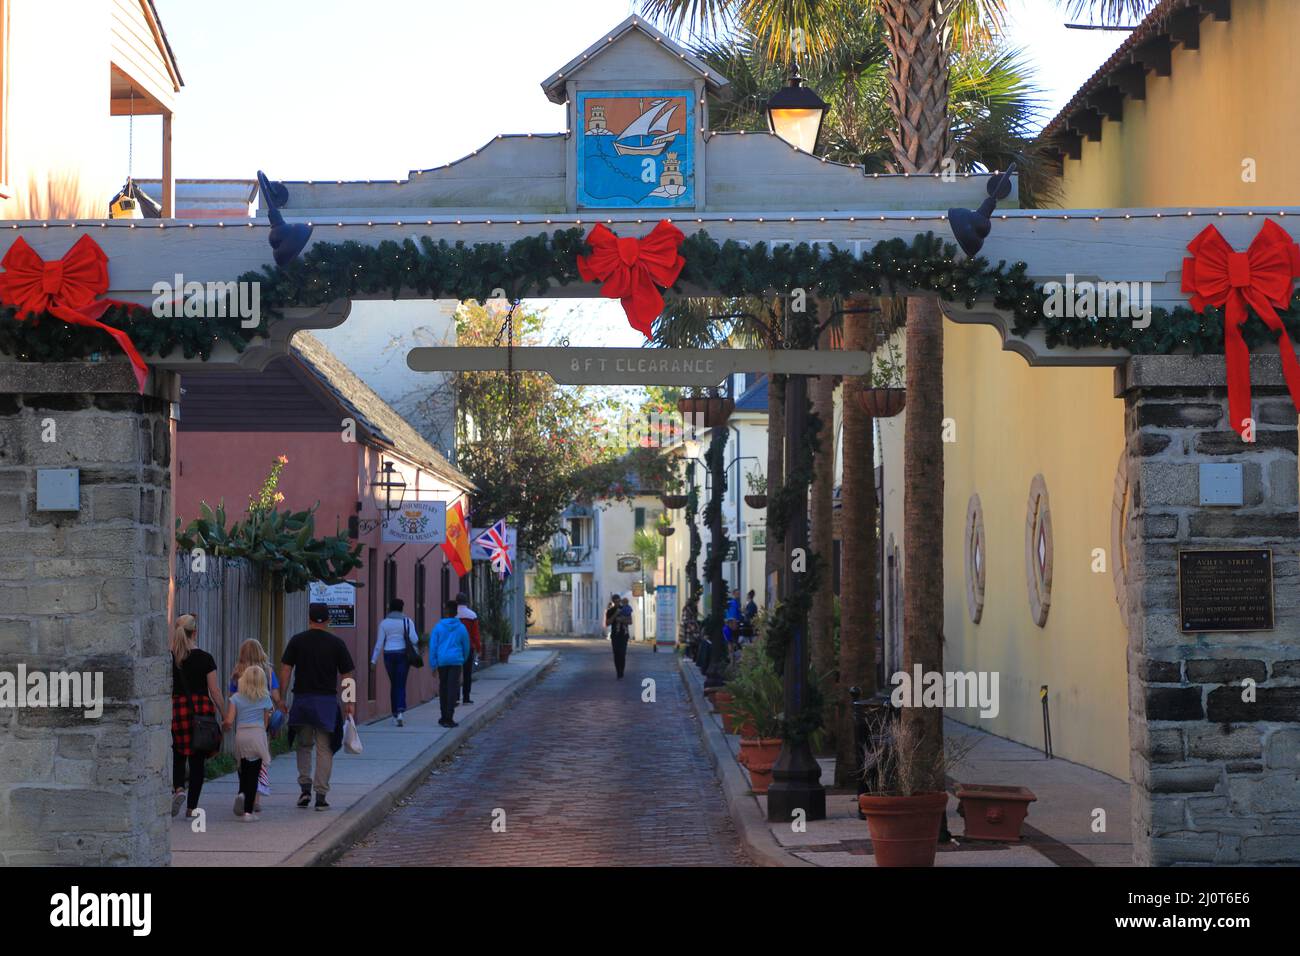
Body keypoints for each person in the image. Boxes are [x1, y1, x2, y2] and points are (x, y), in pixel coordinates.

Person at [279, 603, 355, 812]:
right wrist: (350, 702)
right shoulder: (337, 643)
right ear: (328, 620)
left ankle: (305, 789)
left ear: (309, 619)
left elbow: (286, 670)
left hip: (302, 700)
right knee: (325, 749)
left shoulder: (297, 641)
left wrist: (282, 698)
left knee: (303, 746)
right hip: (326, 703)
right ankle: (321, 795)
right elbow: (347, 674)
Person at [170, 614, 225, 819]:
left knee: (178, 752)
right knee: (197, 760)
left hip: (178, 709)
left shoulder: (171, 658)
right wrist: (225, 714)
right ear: (195, 632)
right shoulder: (205, 658)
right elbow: (215, 690)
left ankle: (178, 789)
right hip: (200, 711)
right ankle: (192, 807)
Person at [229, 639, 284, 803]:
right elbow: (275, 695)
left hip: (242, 724)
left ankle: (243, 791)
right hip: (261, 724)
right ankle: (256, 799)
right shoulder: (268, 672)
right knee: (259, 760)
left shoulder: (237, 673)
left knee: (243, 758)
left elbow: (232, 697)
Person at [223, 662, 274, 821]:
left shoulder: (236, 698)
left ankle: (241, 793)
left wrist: (225, 726)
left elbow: (230, 720)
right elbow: (266, 722)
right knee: (254, 774)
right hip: (257, 734)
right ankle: (248, 812)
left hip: (241, 735)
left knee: (243, 768)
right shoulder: (265, 698)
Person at [369, 598, 419, 726]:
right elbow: (415, 639)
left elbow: (379, 643)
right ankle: (400, 712)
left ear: (389, 608)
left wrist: (373, 660)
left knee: (394, 683)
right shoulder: (408, 622)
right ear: (402, 608)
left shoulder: (384, 623)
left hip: (388, 655)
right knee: (401, 683)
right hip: (403, 654)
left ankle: (394, 713)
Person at [429, 601, 471, 727]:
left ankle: (443, 716)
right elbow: (466, 646)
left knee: (443, 688)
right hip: (456, 661)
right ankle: (449, 716)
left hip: (442, 661)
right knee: (453, 688)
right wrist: (463, 659)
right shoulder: (461, 628)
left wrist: (433, 664)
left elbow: (433, 646)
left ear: (446, 611)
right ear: (456, 613)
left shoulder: (438, 627)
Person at [456, 592, 481, 705]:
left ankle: (455, 697)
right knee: (467, 673)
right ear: (467, 601)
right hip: (468, 647)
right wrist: (479, 648)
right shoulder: (472, 615)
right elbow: (475, 634)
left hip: (455, 648)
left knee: (455, 673)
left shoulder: (453, 615)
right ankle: (466, 697)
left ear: (456, 601)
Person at [610, 596, 633, 679]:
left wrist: (621, 620)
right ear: (613, 602)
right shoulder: (611, 610)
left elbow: (630, 621)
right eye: (615, 602)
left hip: (624, 635)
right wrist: (615, 615)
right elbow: (608, 622)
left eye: (618, 601)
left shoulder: (626, 609)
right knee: (616, 654)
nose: (617, 603)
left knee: (622, 654)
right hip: (614, 635)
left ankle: (621, 671)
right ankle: (618, 671)